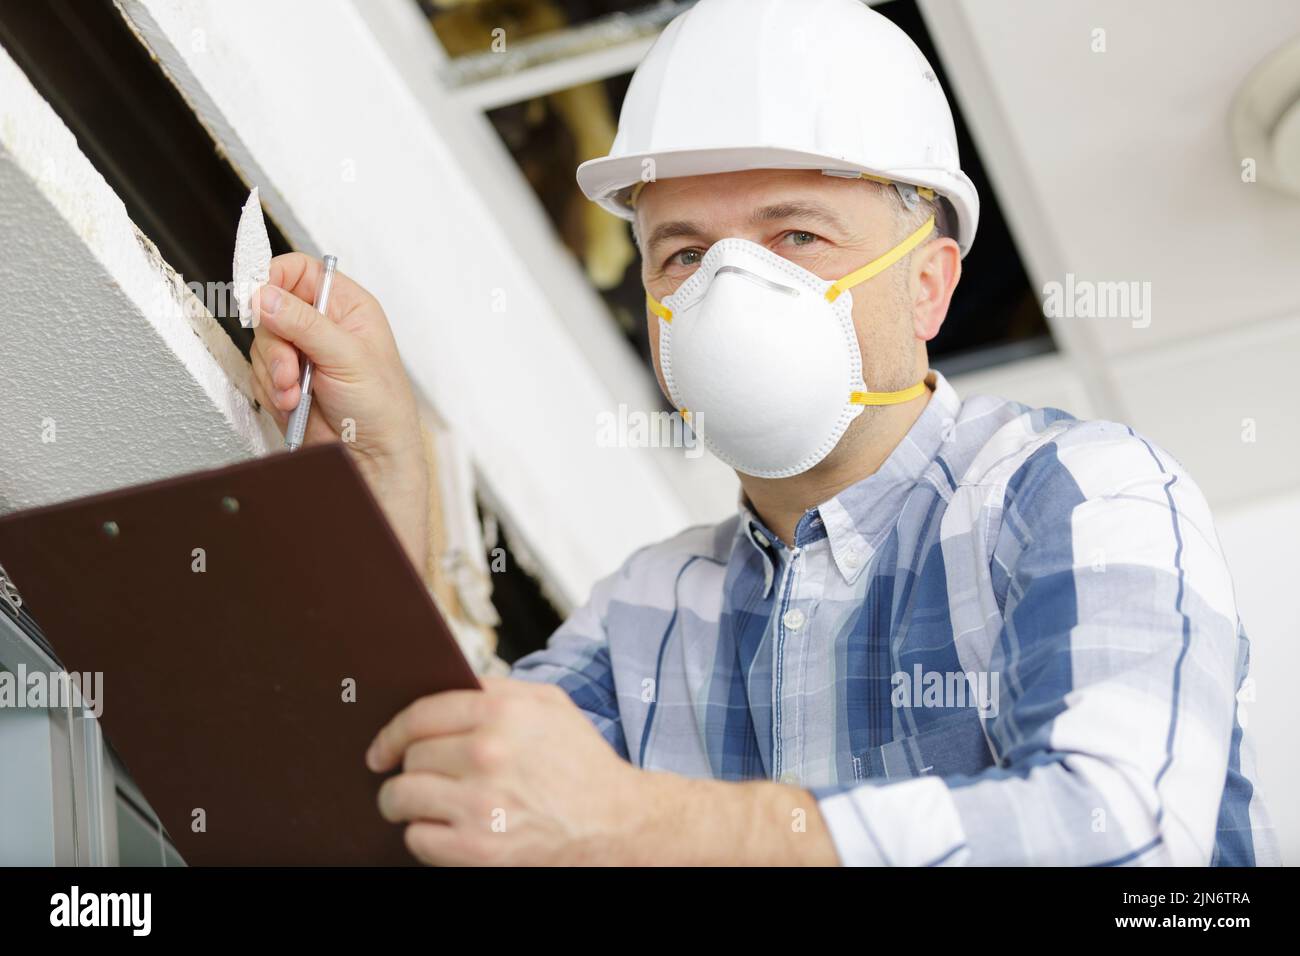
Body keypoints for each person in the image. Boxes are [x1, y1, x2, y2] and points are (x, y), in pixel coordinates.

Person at [249, 0, 1276, 865]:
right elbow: (453, 800)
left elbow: (1136, 846)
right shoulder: (648, 611)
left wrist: (642, 822)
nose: (731, 291)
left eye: (795, 235)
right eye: (683, 253)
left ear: (928, 283)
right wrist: (385, 475)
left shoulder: (1079, 494)